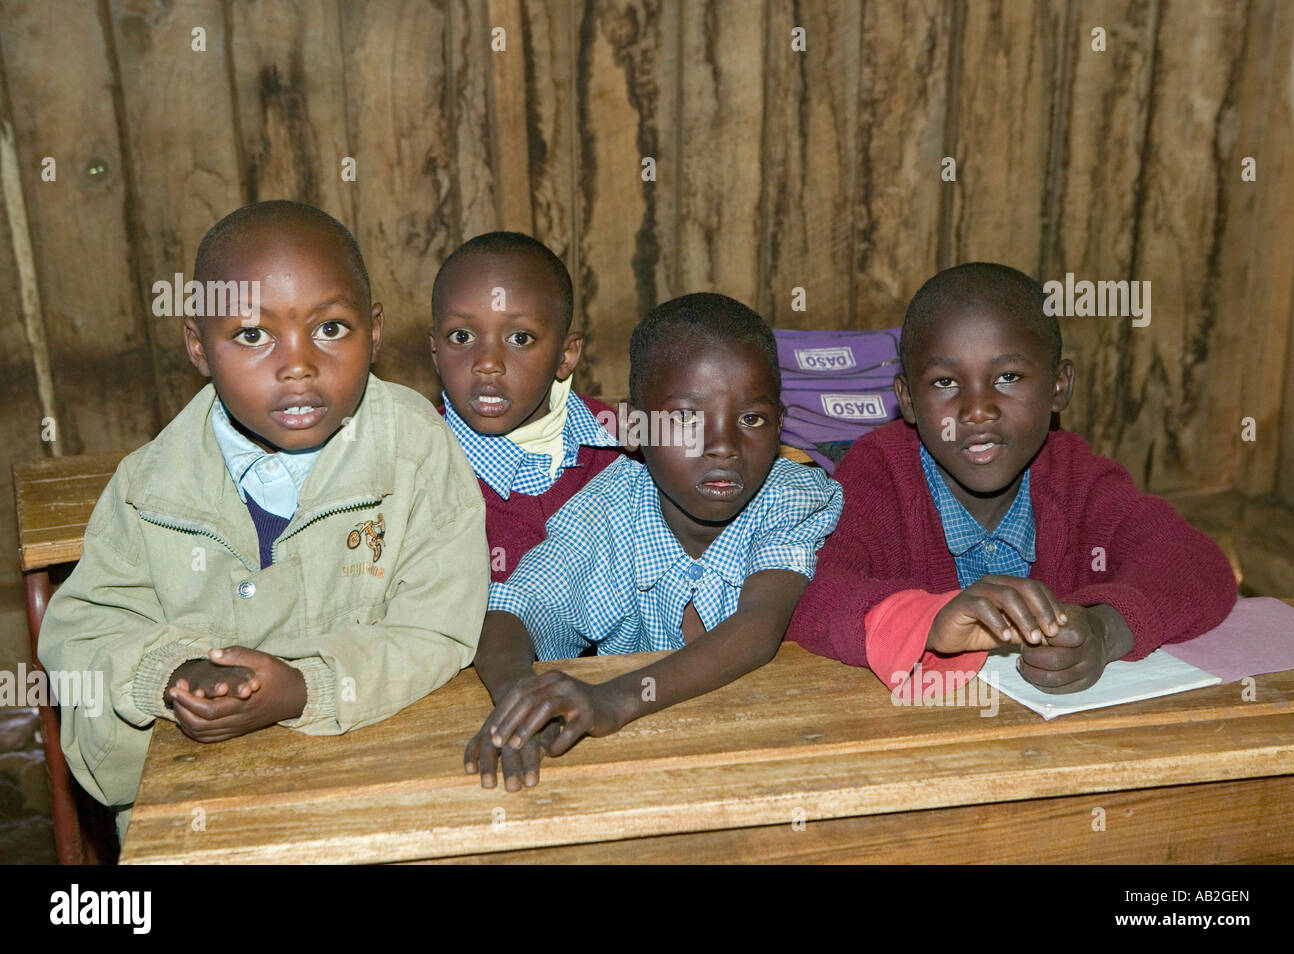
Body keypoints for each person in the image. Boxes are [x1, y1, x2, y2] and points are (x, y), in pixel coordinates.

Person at [38, 200, 488, 839]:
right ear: (199, 347)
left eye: (330, 329)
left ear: (376, 331)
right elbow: (81, 632)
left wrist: (307, 689)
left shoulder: (416, 450)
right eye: (252, 335)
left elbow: (437, 631)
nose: (298, 364)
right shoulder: (150, 486)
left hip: (372, 785)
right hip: (202, 808)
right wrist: (171, 674)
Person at [788, 262, 1237, 696]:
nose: (978, 409)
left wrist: (1104, 628)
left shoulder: (1077, 479)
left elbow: (1195, 562)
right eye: (945, 383)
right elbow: (810, 590)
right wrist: (930, 620)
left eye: (1008, 377)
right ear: (907, 399)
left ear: (1058, 387)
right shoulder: (881, 476)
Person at [465, 293, 843, 790]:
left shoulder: (793, 496)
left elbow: (758, 626)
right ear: (636, 428)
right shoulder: (608, 510)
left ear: (779, 426)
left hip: (789, 758)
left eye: (752, 419)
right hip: (649, 771)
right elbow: (508, 610)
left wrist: (613, 700)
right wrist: (523, 701)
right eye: (687, 418)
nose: (724, 445)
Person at [429, 232, 623, 582]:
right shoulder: (416, 468)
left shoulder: (624, 448)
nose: (487, 363)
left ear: (566, 356)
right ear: (435, 353)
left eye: (520, 338)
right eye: (462, 337)